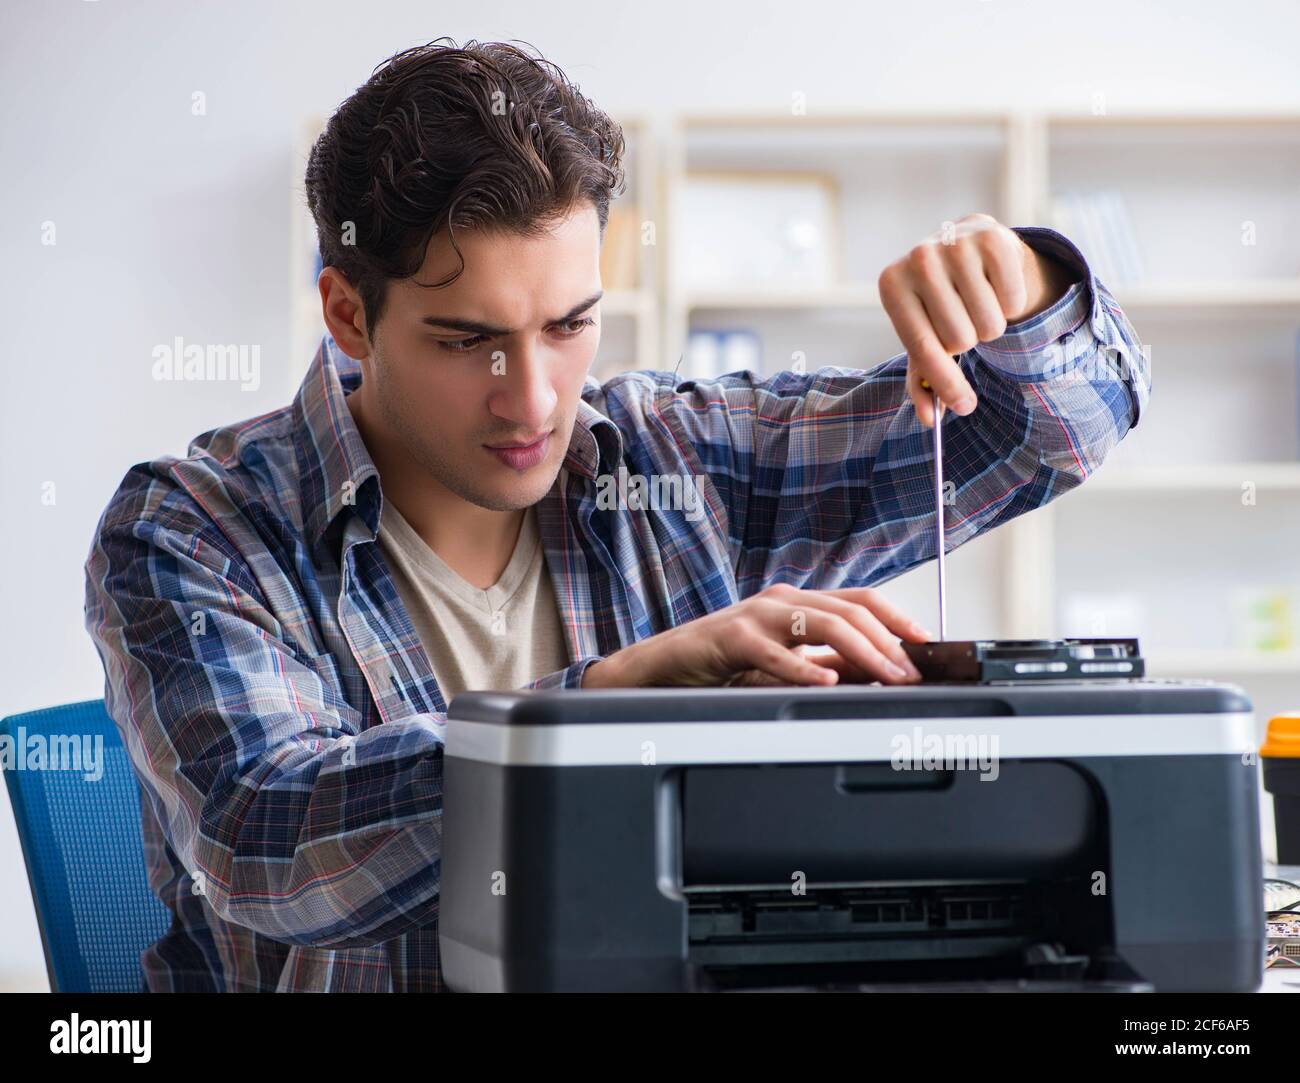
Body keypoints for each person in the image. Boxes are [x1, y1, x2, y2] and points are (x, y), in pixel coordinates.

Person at [84, 38, 1149, 992]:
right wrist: (612, 701)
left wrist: (1026, 284)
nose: (534, 398)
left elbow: (1045, 435)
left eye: (568, 324)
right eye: (467, 340)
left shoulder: (678, 463)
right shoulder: (192, 529)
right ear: (348, 313)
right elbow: (268, 846)